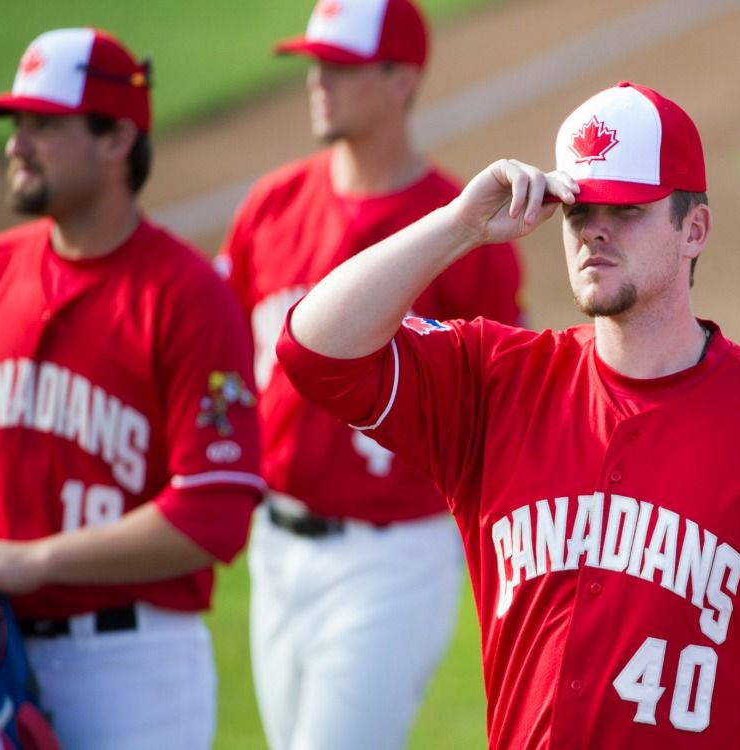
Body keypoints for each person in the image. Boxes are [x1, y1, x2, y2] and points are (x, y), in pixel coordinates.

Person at [274, 81, 740, 748]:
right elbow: (314, 351)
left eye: (626, 209)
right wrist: (459, 225)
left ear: (694, 229)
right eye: (578, 209)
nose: (594, 230)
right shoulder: (494, 382)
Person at [0, 28, 263, 750]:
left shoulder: (188, 296)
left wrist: (34, 559)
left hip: (129, 668)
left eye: (43, 125)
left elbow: (215, 511)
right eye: (18, 124)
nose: (17, 144)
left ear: (115, 140)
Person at [215, 0, 522, 747]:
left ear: (402, 81)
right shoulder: (272, 206)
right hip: (277, 547)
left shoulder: (458, 228)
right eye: (315, 63)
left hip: (394, 559)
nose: (318, 80)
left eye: (342, 67)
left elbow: (502, 404)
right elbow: (222, 354)